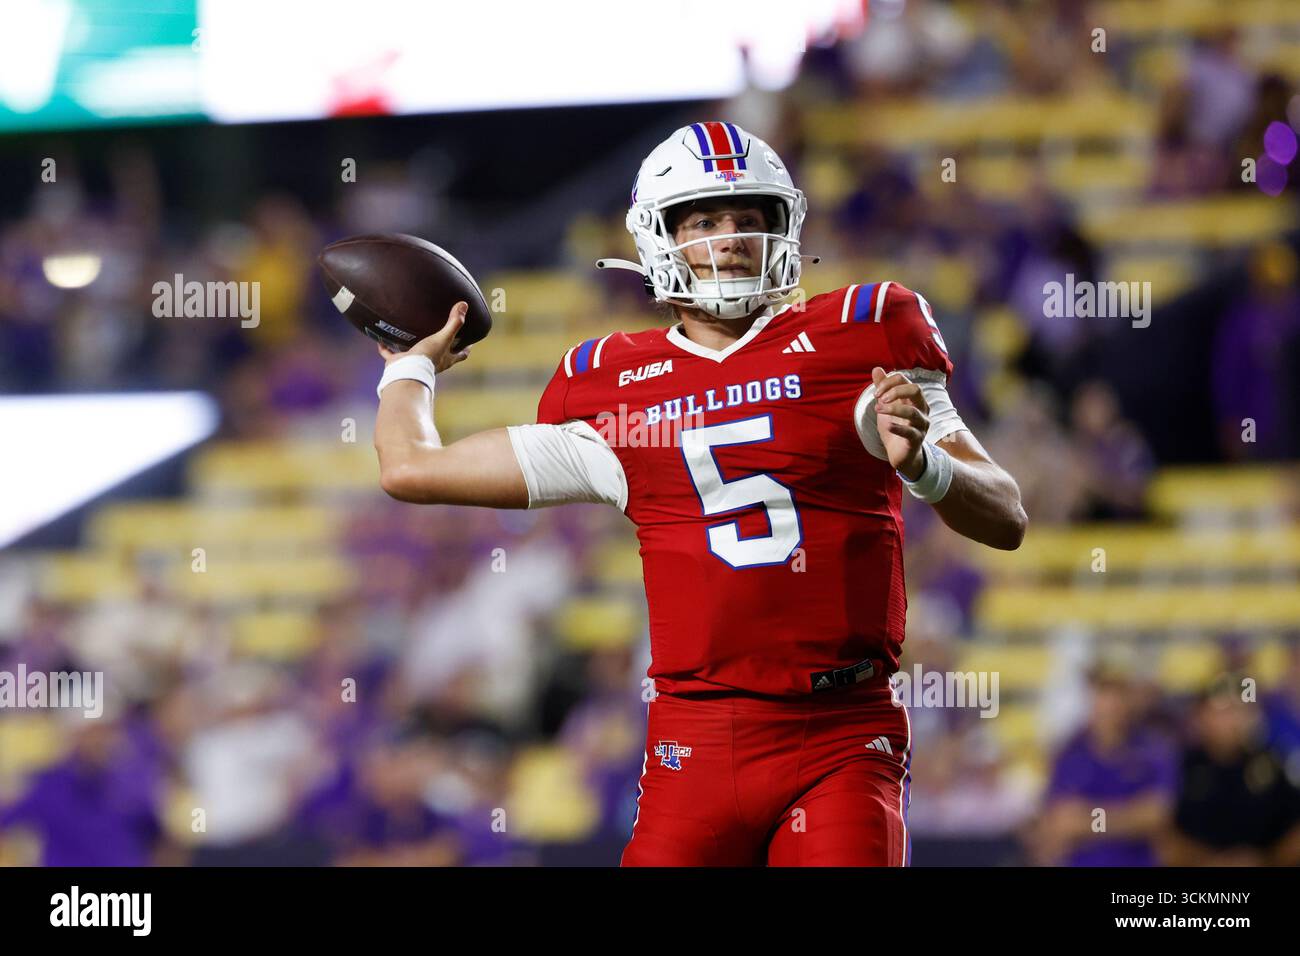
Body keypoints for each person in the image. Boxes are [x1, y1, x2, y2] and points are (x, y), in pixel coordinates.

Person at [371, 122, 1026, 866]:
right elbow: (411, 469)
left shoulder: (864, 333)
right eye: (707, 220)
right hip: (697, 739)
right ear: (659, 237)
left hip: (844, 731)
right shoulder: (610, 384)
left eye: (750, 218)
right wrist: (407, 368)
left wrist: (926, 470)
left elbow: (1005, 516)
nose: (733, 237)